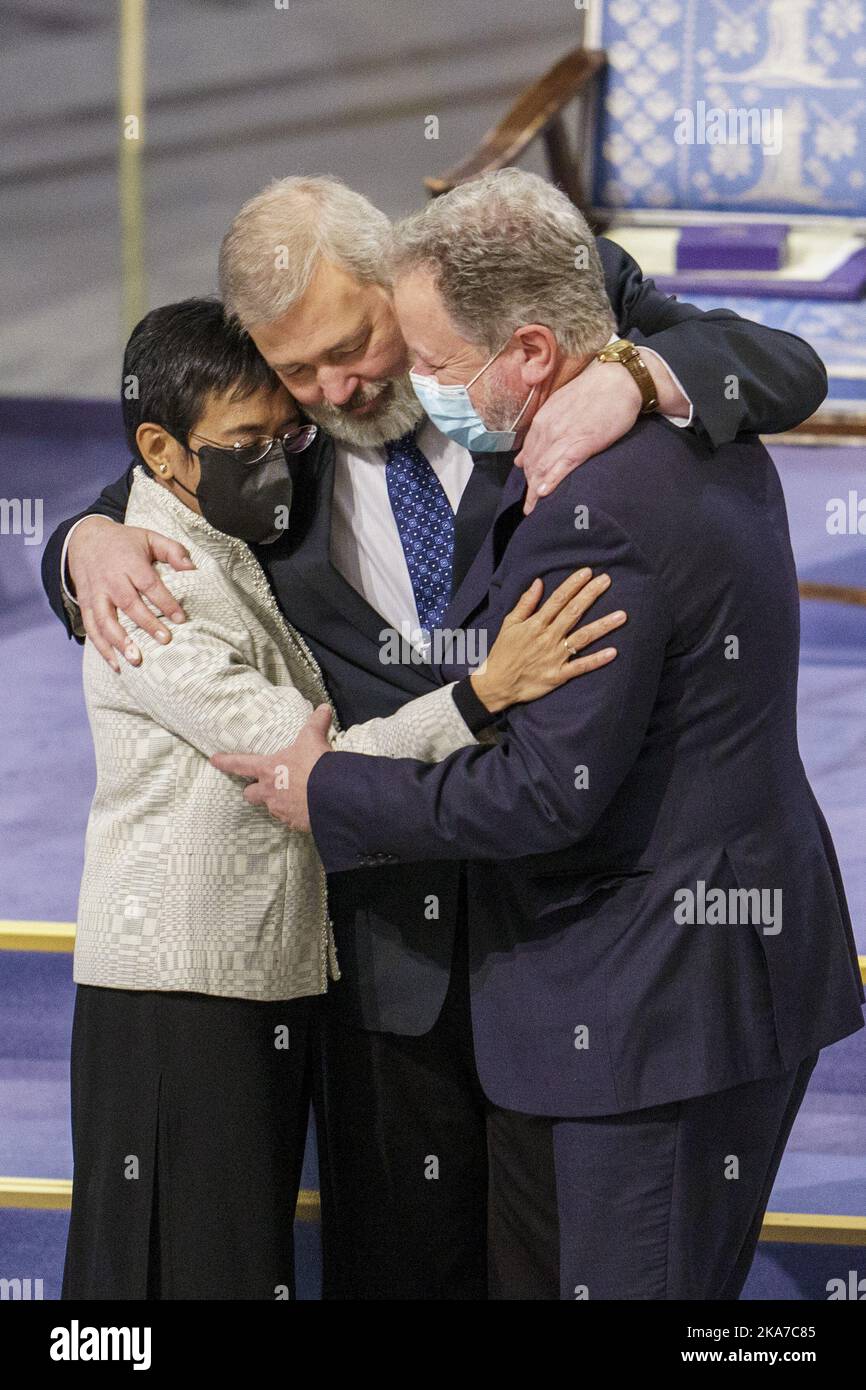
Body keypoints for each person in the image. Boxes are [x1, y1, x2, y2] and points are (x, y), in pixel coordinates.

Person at [42, 174, 830, 1299]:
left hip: (580, 935)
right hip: (386, 944)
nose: (332, 386)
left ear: (400, 283)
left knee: (564, 1260)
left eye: (355, 346)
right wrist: (78, 544)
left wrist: (641, 374)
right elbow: (164, 478)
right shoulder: (275, 431)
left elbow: (779, 364)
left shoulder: (523, 307)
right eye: (295, 371)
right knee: (399, 1268)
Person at [61, 295, 623, 1300]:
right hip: (177, 986)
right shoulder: (144, 585)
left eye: (287, 435)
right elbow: (302, 760)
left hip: (261, 978)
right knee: (167, 1274)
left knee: (231, 1261)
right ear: (163, 449)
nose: (279, 460)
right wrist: (482, 693)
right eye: (247, 442)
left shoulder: (223, 540)